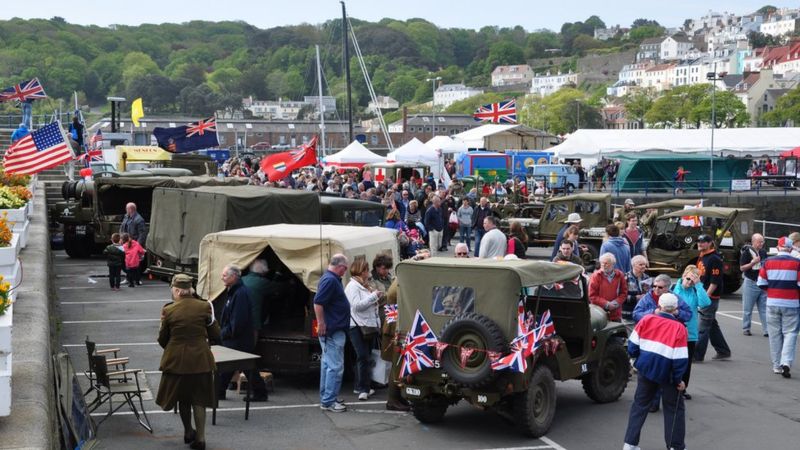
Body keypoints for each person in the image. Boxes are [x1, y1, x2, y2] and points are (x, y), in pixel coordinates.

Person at [156, 274, 220, 450]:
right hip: (201, 360)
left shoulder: (168, 310)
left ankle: (187, 431)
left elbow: (162, 340)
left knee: (183, 398)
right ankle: (200, 438)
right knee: (199, 399)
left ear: (176, 290)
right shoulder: (205, 306)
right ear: (190, 290)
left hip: (177, 362)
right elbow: (215, 334)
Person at [623, 293, 688, 450]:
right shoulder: (679, 328)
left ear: (659, 305)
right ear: (675, 309)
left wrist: (637, 361)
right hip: (668, 374)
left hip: (646, 370)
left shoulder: (646, 320)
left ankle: (630, 444)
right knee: (674, 409)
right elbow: (680, 360)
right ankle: (675, 446)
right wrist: (679, 380)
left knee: (639, 406)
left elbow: (632, 346)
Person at [216, 265, 268, 402]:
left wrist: (225, 333)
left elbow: (238, 320)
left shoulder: (240, 294)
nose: (222, 277)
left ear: (234, 277)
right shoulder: (235, 291)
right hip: (237, 338)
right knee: (238, 366)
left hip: (238, 339)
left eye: (225, 275)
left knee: (243, 366)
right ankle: (220, 391)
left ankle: (260, 393)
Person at [757, 236, 800, 379]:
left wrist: (772, 292)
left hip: (772, 303)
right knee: (790, 333)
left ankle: (776, 366)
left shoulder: (767, 262)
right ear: (790, 248)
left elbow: (761, 283)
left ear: (778, 247)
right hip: (791, 303)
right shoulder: (797, 263)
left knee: (775, 335)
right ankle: (786, 362)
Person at [314, 254, 351, 412]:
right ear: (341, 266)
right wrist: (322, 323)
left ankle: (327, 396)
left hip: (332, 330)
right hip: (333, 330)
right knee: (335, 367)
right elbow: (318, 302)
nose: (346, 270)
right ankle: (328, 401)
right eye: (345, 268)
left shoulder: (329, 279)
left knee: (328, 365)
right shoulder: (330, 280)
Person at [346, 259, 384, 401]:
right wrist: (374, 296)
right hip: (357, 326)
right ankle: (364, 388)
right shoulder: (352, 287)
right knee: (363, 356)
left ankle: (360, 385)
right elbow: (357, 306)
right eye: (367, 270)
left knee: (364, 356)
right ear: (362, 271)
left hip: (366, 325)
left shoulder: (362, 286)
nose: (369, 273)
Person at [672, 265, 711, 400]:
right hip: (674, 332)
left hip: (690, 333)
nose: (689, 282)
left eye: (692, 280)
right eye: (688, 278)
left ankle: (682, 389)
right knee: (672, 361)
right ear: (683, 276)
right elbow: (673, 300)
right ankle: (669, 387)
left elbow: (705, 303)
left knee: (686, 363)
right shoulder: (675, 288)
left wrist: (699, 285)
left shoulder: (695, 290)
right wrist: (680, 284)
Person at [694, 234, 732, 362]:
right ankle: (723, 350)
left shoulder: (714, 258)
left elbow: (715, 281)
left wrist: (705, 297)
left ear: (710, 243)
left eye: (703, 241)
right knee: (711, 325)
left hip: (709, 298)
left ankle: (697, 355)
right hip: (703, 294)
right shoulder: (702, 256)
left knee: (702, 328)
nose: (700, 243)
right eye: (699, 241)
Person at [740, 233, 768, 336]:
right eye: (760, 241)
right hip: (751, 282)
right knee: (748, 308)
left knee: (764, 308)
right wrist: (753, 263)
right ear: (754, 241)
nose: (762, 243)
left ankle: (767, 330)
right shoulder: (746, 252)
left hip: (762, 282)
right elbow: (742, 268)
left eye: (763, 241)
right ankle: (746, 328)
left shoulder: (763, 252)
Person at [588, 253, 628, 322]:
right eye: (602, 263)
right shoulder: (596, 276)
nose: (603, 265)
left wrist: (615, 303)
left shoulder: (620, 275)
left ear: (613, 264)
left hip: (616, 313)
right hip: (599, 314)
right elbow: (592, 296)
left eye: (606, 263)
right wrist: (606, 304)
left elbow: (624, 293)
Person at [241, 259, 271, 334]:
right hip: (253, 322)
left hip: (239, 320)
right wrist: (289, 284)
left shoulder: (240, 279)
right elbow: (279, 288)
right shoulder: (262, 282)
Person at [624, 255, 651, 324]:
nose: (643, 266)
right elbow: (620, 296)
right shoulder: (625, 278)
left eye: (644, 265)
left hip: (642, 314)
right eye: (640, 264)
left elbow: (651, 294)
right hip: (628, 314)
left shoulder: (647, 278)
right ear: (633, 265)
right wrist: (635, 298)